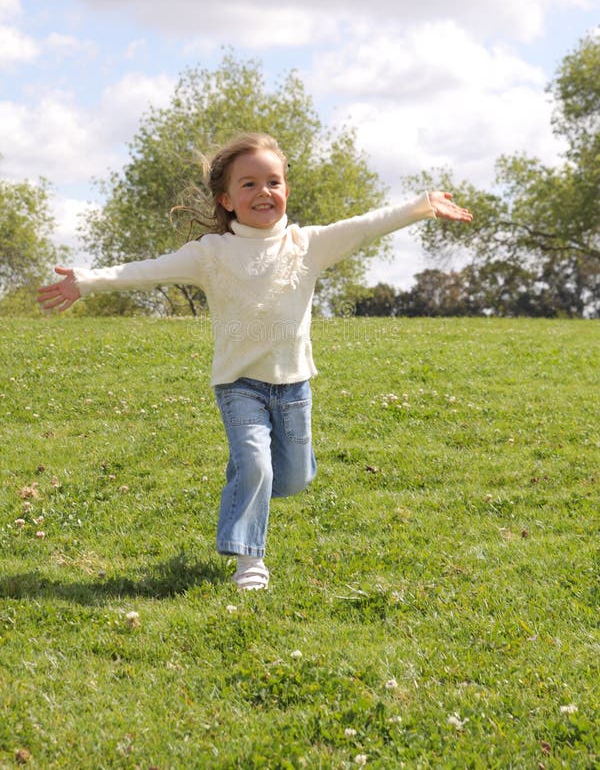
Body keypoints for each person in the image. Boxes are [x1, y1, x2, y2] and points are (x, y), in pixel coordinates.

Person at [38, 132, 472, 591]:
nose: (263, 192)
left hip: (292, 384)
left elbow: (365, 225)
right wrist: (84, 280)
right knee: (257, 466)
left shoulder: (309, 245)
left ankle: (250, 473)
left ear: (286, 189)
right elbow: (145, 270)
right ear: (226, 199)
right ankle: (250, 563)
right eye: (248, 185)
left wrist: (422, 205)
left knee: (292, 478)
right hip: (238, 383)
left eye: (273, 181)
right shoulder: (211, 254)